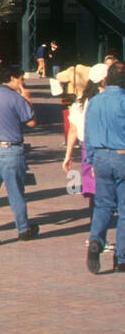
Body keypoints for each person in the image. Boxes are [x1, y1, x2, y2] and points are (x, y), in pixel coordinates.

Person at [0, 62, 39, 245]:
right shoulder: (15, 98)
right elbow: (31, 122)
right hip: (10, 149)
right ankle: (23, 229)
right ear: (12, 79)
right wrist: (27, 98)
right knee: (16, 192)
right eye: (21, 79)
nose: (22, 82)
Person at [63, 63, 108, 251]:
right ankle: (100, 238)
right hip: (104, 149)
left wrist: (67, 156)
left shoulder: (81, 101)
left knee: (93, 195)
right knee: (108, 195)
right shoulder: (104, 101)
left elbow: (73, 129)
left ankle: (95, 236)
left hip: (85, 150)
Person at [85, 64, 125, 273]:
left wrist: (90, 159)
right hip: (121, 154)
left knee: (103, 205)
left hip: (100, 155)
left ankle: (96, 240)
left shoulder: (95, 101)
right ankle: (121, 258)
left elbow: (88, 132)